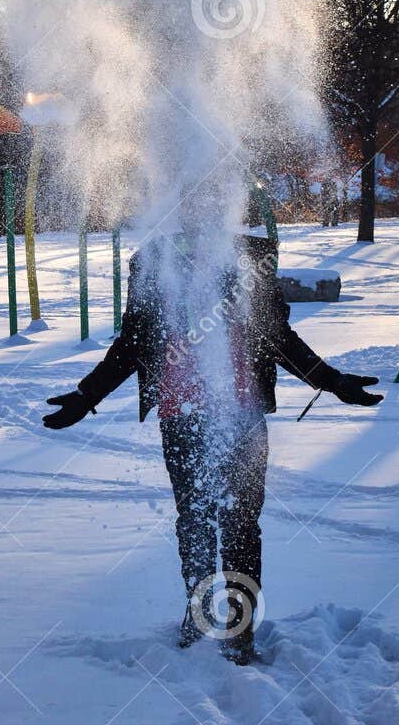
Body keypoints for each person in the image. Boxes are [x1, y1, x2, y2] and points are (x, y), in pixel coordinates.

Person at [42, 232, 381, 666]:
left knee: (241, 525)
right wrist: (87, 395)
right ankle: (200, 617)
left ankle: (239, 631)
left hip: (243, 415)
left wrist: (332, 381)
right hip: (180, 416)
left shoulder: (252, 258)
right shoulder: (152, 260)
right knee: (195, 520)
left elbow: (278, 338)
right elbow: (132, 344)